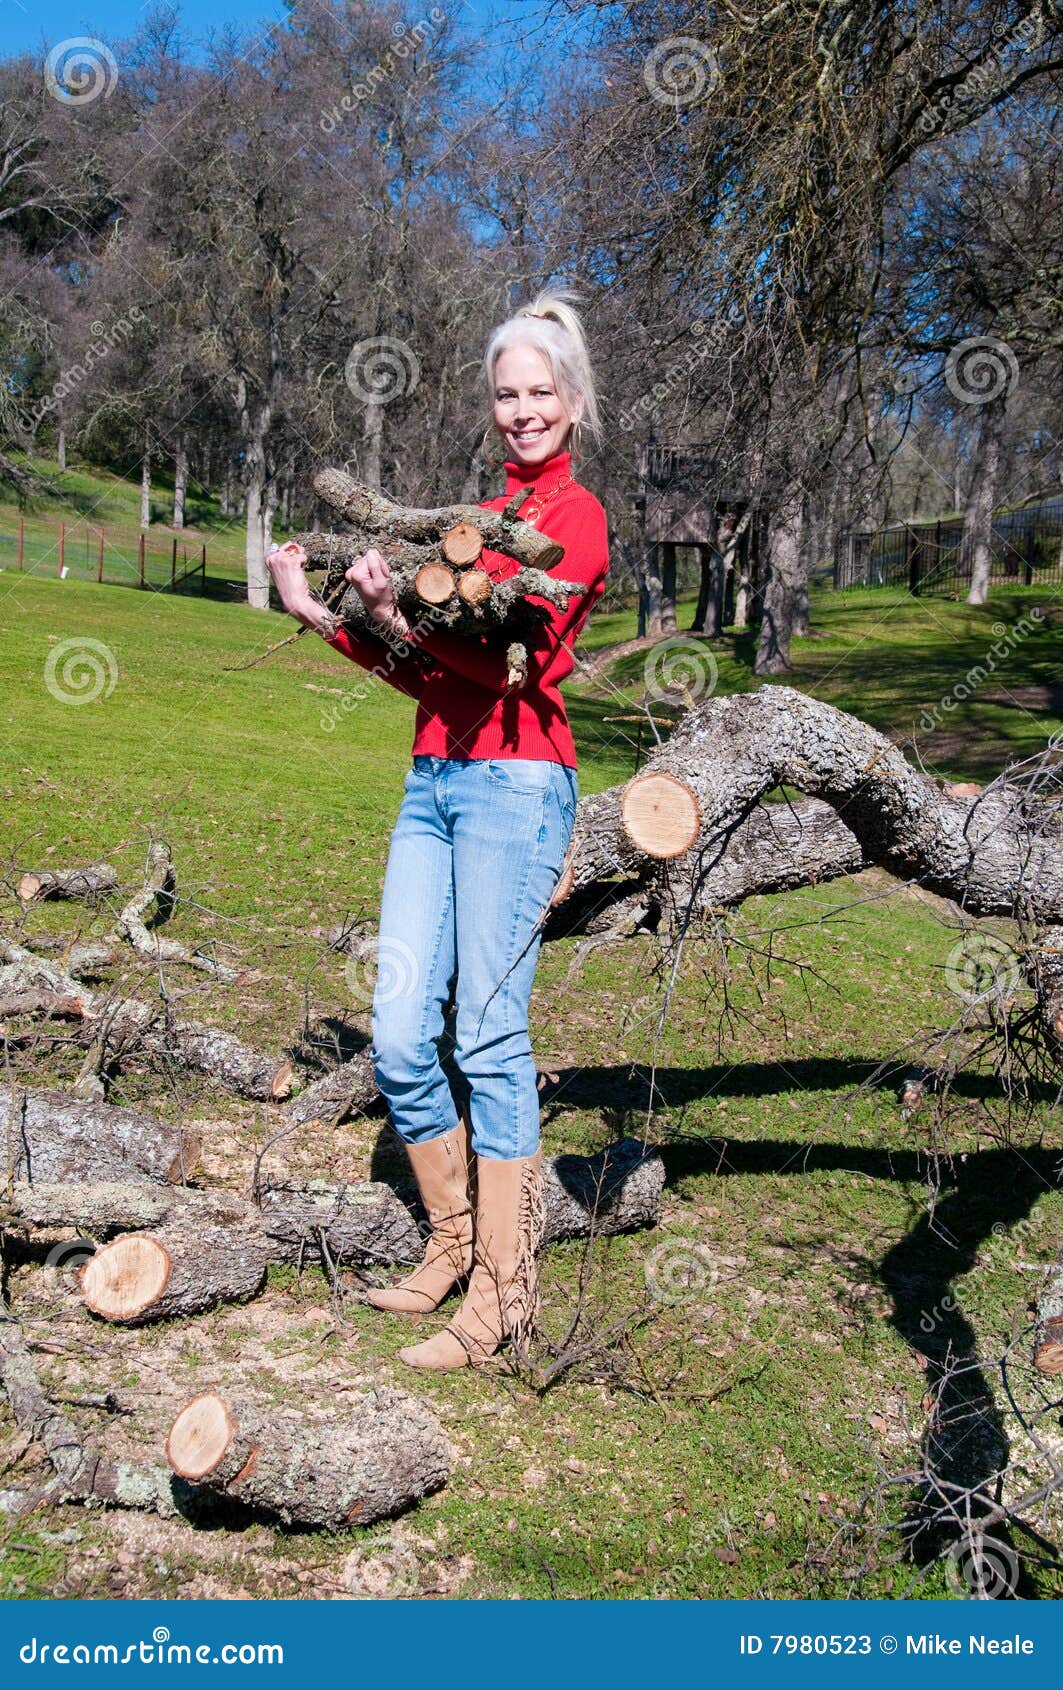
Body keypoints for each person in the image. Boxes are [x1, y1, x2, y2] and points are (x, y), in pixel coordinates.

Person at [267, 291, 608, 1370]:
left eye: (540, 392)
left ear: (572, 400)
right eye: (506, 393)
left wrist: (391, 612)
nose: (522, 410)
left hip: (519, 784)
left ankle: (505, 1292)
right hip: (433, 779)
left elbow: (516, 670)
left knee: (489, 1033)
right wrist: (327, 613)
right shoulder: (468, 525)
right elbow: (427, 673)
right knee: (403, 1028)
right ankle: (452, 1243)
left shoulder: (572, 524)